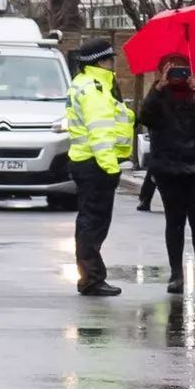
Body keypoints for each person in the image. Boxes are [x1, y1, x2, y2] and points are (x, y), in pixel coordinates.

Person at [135, 55, 195, 295]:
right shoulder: (158, 95)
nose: (178, 76)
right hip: (168, 167)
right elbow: (145, 117)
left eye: (183, 71)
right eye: (172, 71)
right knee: (174, 222)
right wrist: (158, 89)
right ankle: (176, 274)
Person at [64, 37, 132, 296]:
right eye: (111, 59)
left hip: (86, 161)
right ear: (102, 61)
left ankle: (91, 276)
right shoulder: (95, 89)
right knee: (93, 223)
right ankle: (91, 278)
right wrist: (110, 167)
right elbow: (99, 131)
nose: (114, 63)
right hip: (96, 164)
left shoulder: (85, 83)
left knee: (89, 222)